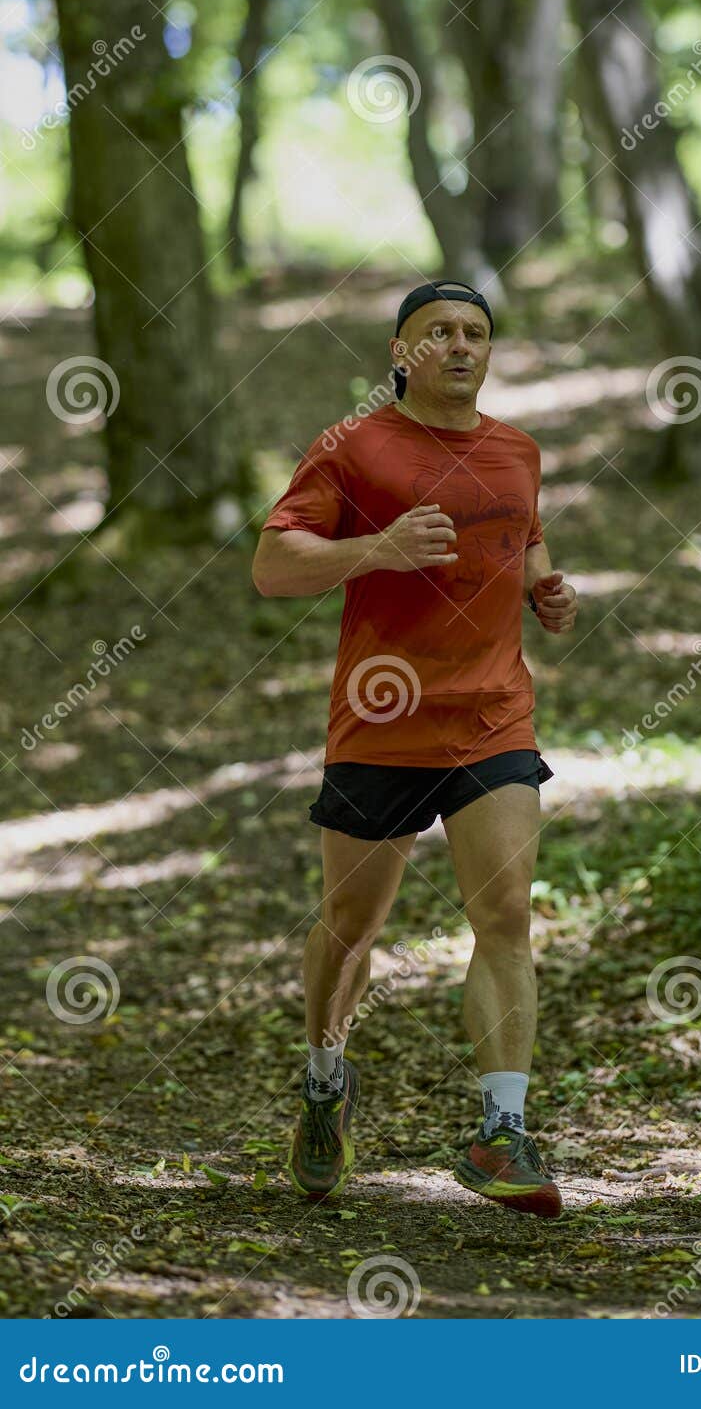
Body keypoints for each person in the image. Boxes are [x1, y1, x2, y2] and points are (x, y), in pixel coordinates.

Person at [252, 280, 578, 1218]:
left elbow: (525, 540)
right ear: (401, 351)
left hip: (491, 718)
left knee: (506, 916)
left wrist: (548, 595)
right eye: (438, 332)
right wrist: (376, 550)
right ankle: (324, 1081)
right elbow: (273, 568)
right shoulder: (352, 448)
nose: (460, 346)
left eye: (475, 333)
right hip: (381, 722)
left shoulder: (517, 450)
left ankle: (499, 1131)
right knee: (351, 925)